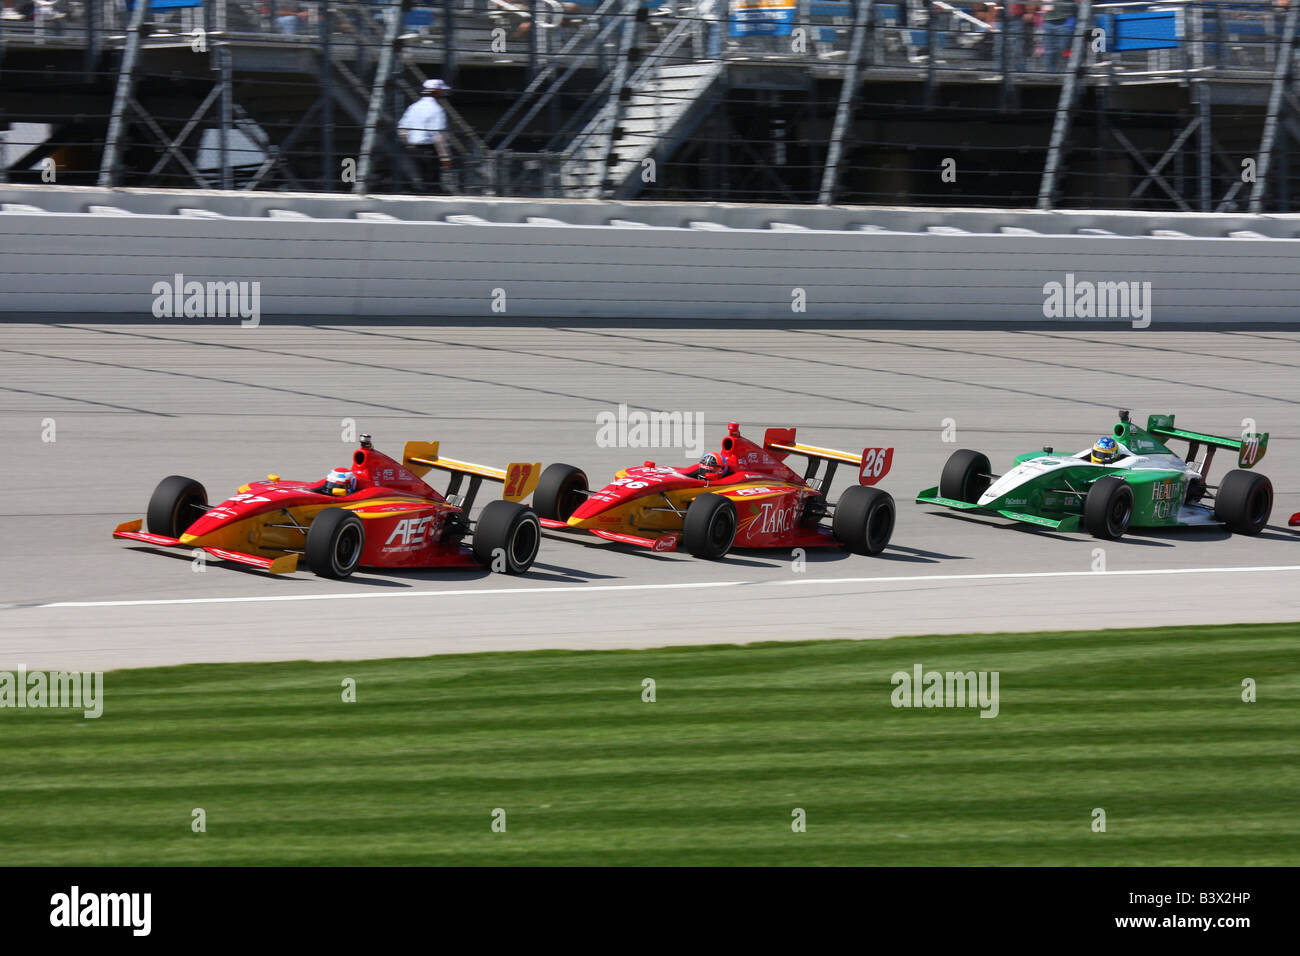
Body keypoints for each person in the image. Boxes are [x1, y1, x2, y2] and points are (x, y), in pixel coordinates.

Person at [397, 79, 452, 193]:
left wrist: (408, 146)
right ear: (436, 92)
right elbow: (438, 136)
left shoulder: (413, 107)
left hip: (414, 149)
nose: (443, 94)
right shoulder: (437, 110)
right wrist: (445, 157)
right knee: (433, 187)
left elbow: (402, 130)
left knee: (418, 184)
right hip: (430, 151)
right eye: (442, 92)